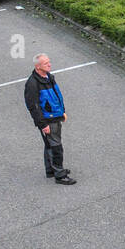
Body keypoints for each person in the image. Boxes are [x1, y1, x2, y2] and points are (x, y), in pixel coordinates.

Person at [23, 53, 75, 185]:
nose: (49, 64)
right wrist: (42, 124)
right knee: (56, 146)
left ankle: (51, 170)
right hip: (47, 120)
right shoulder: (32, 84)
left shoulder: (48, 77)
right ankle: (60, 175)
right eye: (46, 63)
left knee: (49, 144)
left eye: (49, 62)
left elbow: (56, 96)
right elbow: (33, 107)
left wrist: (62, 111)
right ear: (37, 67)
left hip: (55, 116)